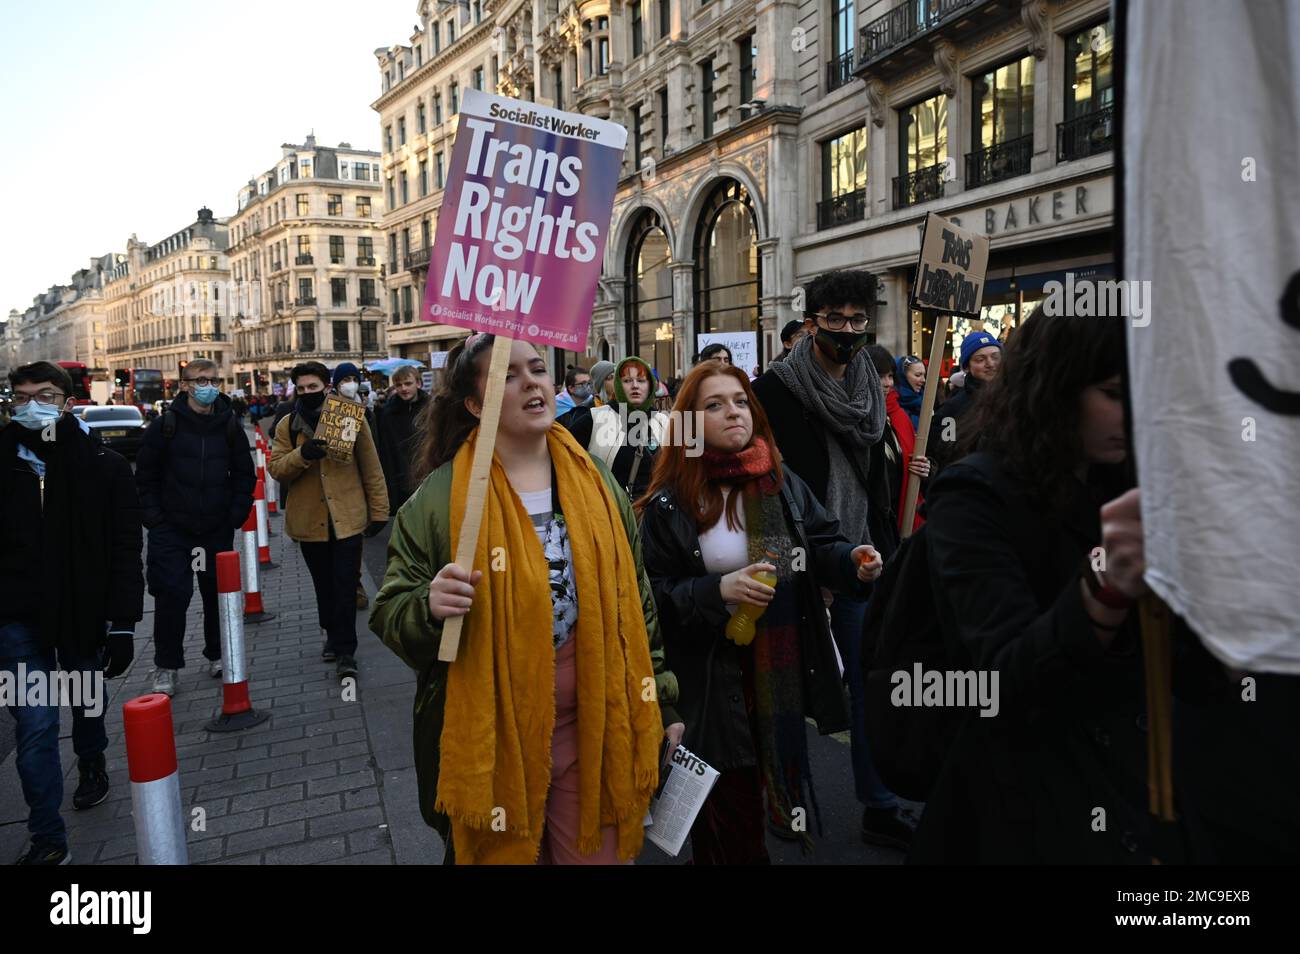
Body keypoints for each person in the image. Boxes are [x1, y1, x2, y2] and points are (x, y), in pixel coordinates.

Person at [912, 306, 1241, 863]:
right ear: (1056, 389)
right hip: (1028, 811)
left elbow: (1196, 673)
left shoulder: (1130, 479)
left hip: (1145, 797)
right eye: (1114, 393)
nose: (1133, 413)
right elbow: (1005, 679)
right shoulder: (973, 496)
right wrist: (1105, 589)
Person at [370, 333, 681, 865]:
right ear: (474, 404)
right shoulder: (438, 501)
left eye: (536, 368)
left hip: (596, 727)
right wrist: (427, 605)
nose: (530, 381)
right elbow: (390, 612)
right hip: (496, 737)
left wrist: (663, 698)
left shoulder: (597, 481)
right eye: (506, 376)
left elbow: (639, 603)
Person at [638, 361, 882, 863]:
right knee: (725, 814)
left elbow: (821, 542)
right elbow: (651, 596)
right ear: (688, 421)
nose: (734, 411)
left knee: (758, 792)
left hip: (776, 670)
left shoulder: (780, 480)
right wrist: (716, 591)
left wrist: (851, 561)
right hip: (709, 681)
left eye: (740, 400)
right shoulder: (669, 502)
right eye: (714, 404)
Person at [751, 267, 916, 848]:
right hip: (799, 564)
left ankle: (879, 803)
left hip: (862, 558)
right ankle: (786, 798)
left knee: (869, 683)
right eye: (836, 320)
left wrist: (902, 469)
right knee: (789, 691)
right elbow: (764, 481)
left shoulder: (871, 383)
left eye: (858, 319)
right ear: (812, 323)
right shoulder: (774, 391)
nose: (848, 330)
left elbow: (875, 463)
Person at [1, 362, 144, 864]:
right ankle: (47, 837)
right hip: (16, 618)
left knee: (85, 697)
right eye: (20, 397)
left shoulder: (101, 465)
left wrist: (124, 622)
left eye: (44, 395)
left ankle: (91, 760)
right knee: (35, 725)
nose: (31, 405)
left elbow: (126, 547)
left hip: (81, 610)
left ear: (67, 401)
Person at [134, 358, 255, 695]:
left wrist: (234, 515)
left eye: (213, 380)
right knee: (172, 595)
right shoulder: (165, 425)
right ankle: (166, 666)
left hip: (215, 527)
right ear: (184, 384)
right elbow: (145, 477)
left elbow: (245, 474)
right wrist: (156, 520)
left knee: (218, 594)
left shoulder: (229, 424)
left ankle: (219, 654)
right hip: (172, 530)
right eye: (200, 380)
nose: (208, 387)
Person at [269, 361, 389, 679]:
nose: (309, 393)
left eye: (314, 387)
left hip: (346, 517)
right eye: (303, 388)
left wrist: (379, 511)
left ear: (327, 386)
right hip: (309, 521)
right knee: (324, 587)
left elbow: (371, 466)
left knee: (345, 584)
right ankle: (331, 633)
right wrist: (302, 455)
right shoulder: (287, 425)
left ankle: (345, 650)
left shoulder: (349, 416)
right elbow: (277, 468)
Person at [560, 355, 668, 500]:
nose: (635, 386)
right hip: (612, 514)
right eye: (627, 381)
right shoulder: (595, 419)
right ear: (618, 385)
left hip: (656, 516)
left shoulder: (663, 422)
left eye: (641, 380)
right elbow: (562, 459)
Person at [868, 345, 930, 539]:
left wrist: (926, 468)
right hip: (873, 523)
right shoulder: (855, 417)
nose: (887, 383)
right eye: (880, 377)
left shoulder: (898, 415)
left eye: (890, 376)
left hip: (900, 516)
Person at [928, 329, 1002, 477]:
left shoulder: (1017, 399)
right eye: (980, 360)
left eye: (995, 357)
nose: (990, 364)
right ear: (967, 367)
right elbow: (941, 455)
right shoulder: (951, 410)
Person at [376, 364, 431, 511]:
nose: (404, 388)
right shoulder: (388, 413)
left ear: (418, 383)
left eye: (408, 383)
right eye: (399, 385)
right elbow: (385, 451)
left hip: (428, 475)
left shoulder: (431, 408)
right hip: (400, 479)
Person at [894, 355, 926, 431]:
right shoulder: (890, 405)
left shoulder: (924, 402)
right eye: (918, 375)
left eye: (924, 375)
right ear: (903, 377)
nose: (923, 380)